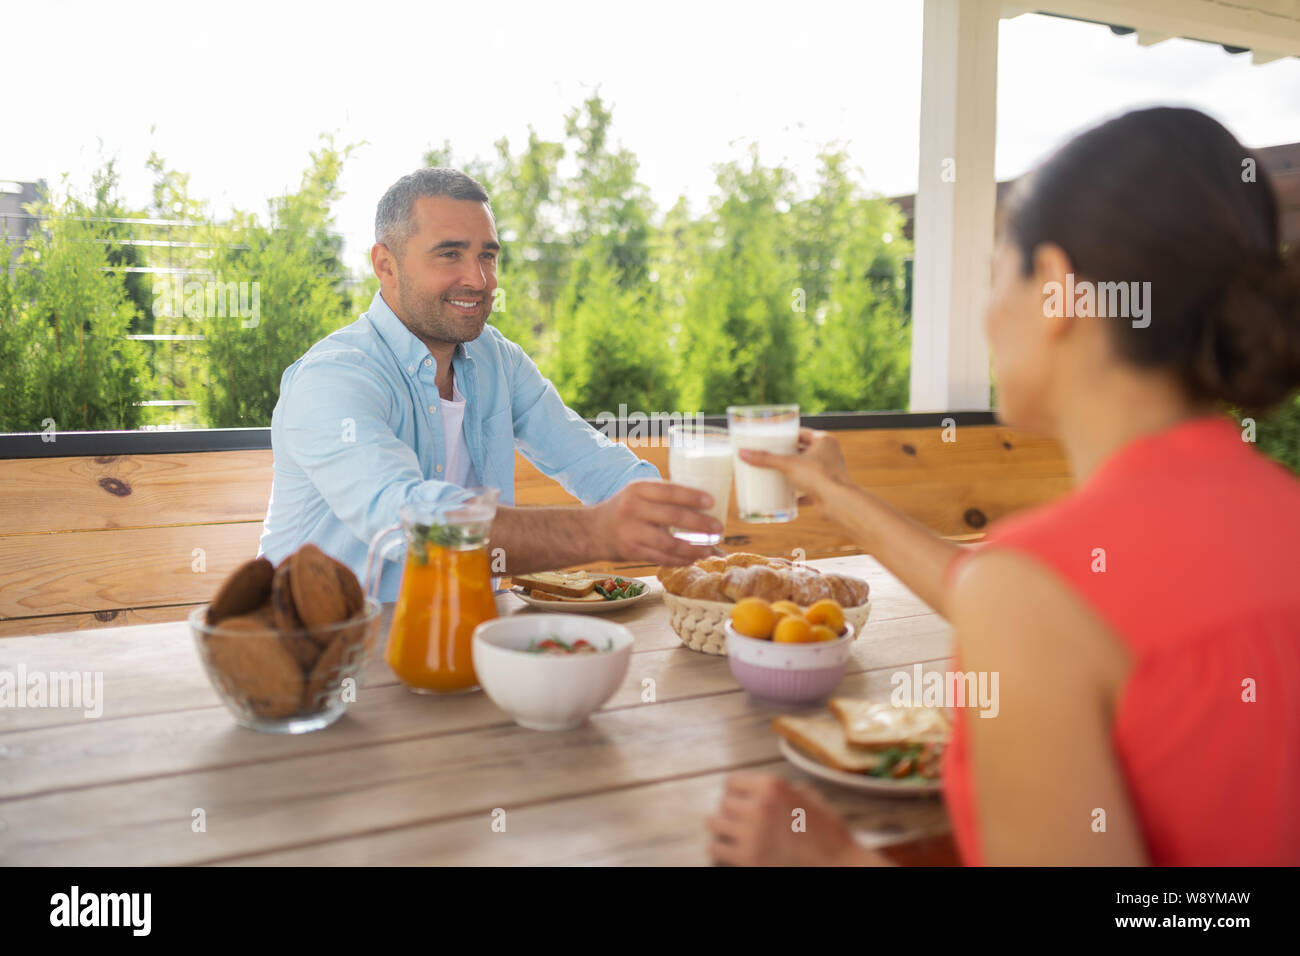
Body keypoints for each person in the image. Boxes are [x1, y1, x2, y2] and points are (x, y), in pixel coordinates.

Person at [707, 107, 1300, 866]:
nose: (988, 315)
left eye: (995, 272)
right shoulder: (1271, 516)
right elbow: (1038, 606)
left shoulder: (1041, 586)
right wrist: (841, 495)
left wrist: (836, 862)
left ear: (1055, 289)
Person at [259, 168, 720, 599]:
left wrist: (686, 529)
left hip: (474, 636)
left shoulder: (496, 360)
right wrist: (596, 532)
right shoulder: (334, 377)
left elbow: (593, 462)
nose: (478, 279)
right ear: (386, 265)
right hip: (329, 659)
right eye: (450, 254)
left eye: (488, 256)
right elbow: (413, 523)